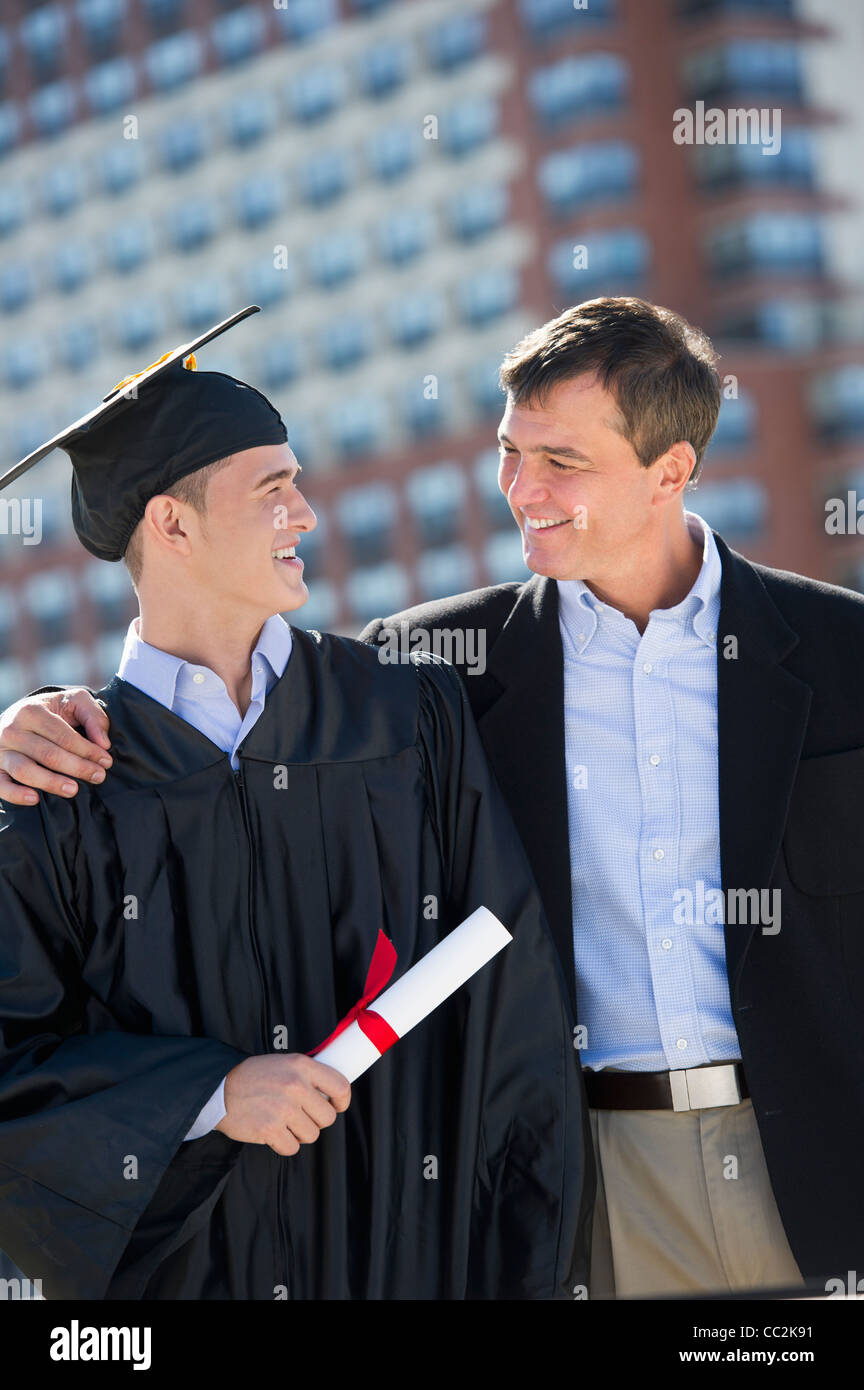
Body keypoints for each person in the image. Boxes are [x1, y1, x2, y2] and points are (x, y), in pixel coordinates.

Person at [12, 298, 864, 1300]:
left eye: (562, 461)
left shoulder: (843, 653)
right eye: (511, 451)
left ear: (670, 470)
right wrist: (26, 721)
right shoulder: (437, 677)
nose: (519, 489)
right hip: (589, 1177)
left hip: (816, 1160)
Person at [0, 306, 591, 1301]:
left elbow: (515, 1019)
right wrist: (207, 1095)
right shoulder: (59, 784)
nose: (306, 516)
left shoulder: (408, 720)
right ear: (171, 523)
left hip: (412, 1269)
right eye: (273, 490)